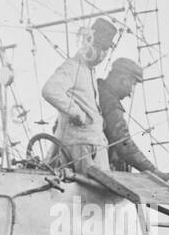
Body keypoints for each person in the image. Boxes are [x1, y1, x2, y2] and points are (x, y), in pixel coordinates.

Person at [41, 17, 118, 173]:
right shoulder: (73, 66)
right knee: (90, 196)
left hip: (90, 145)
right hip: (81, 146)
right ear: (89, 43)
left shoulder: (88, 70)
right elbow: (50, 90)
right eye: (100, 47)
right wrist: (77, 114)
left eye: (106, 50)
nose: (103, 55)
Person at [98, 57, 162, 174]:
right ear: (124, 80)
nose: (130, 92)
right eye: (133, 84)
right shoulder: (110, 103)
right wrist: (153, 171)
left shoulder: (94, 92)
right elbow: (123, 143)